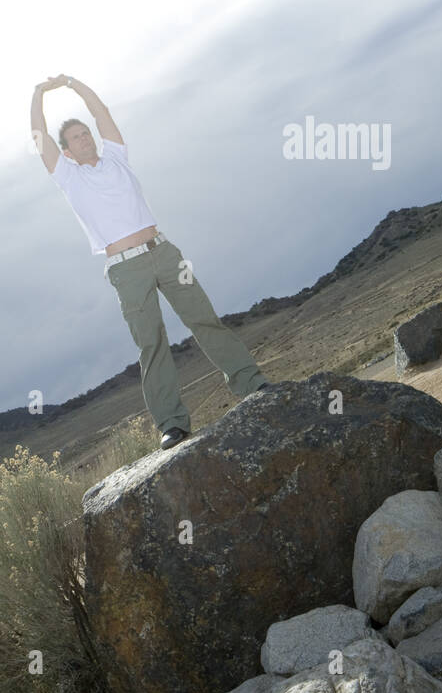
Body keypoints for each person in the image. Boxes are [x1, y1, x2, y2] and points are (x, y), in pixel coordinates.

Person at [31, 74, 272, 449]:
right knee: (152, 343)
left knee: (204, 319)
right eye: (76, 138)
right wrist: (39, 93)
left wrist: (74, 85)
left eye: (86, 133)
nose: (85, 139)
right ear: (66, 151)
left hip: (164, 251)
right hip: (126, 270)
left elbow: (102, 112)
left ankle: (252, 385)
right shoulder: (68, 178)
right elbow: (38, 136)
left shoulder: (114, 156)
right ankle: (172, 424)